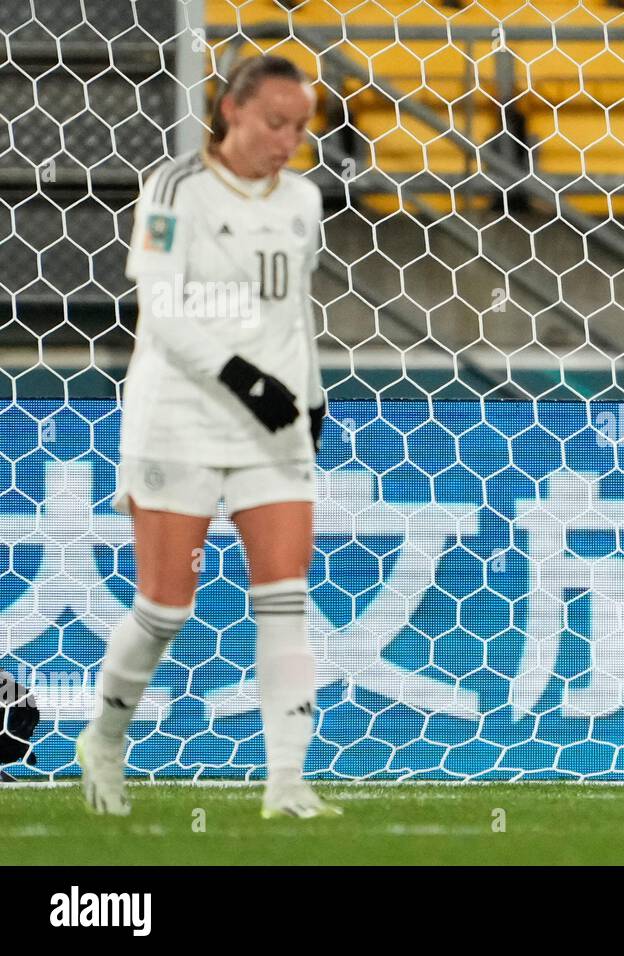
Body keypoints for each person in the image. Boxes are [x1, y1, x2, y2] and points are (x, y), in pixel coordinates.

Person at [76, 54, 337, 818]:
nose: (288, 141)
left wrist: (309, 396)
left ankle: (287, 786)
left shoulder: (303, 200)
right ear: (230, 110)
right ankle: (106, 739)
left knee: (285, 598)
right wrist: (245, 379)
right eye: (274, 123)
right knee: (165, 608)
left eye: (300, 127)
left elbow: (293, 312)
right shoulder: (175, 188)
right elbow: (160, 307)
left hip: (273, 431)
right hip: (180, 419)